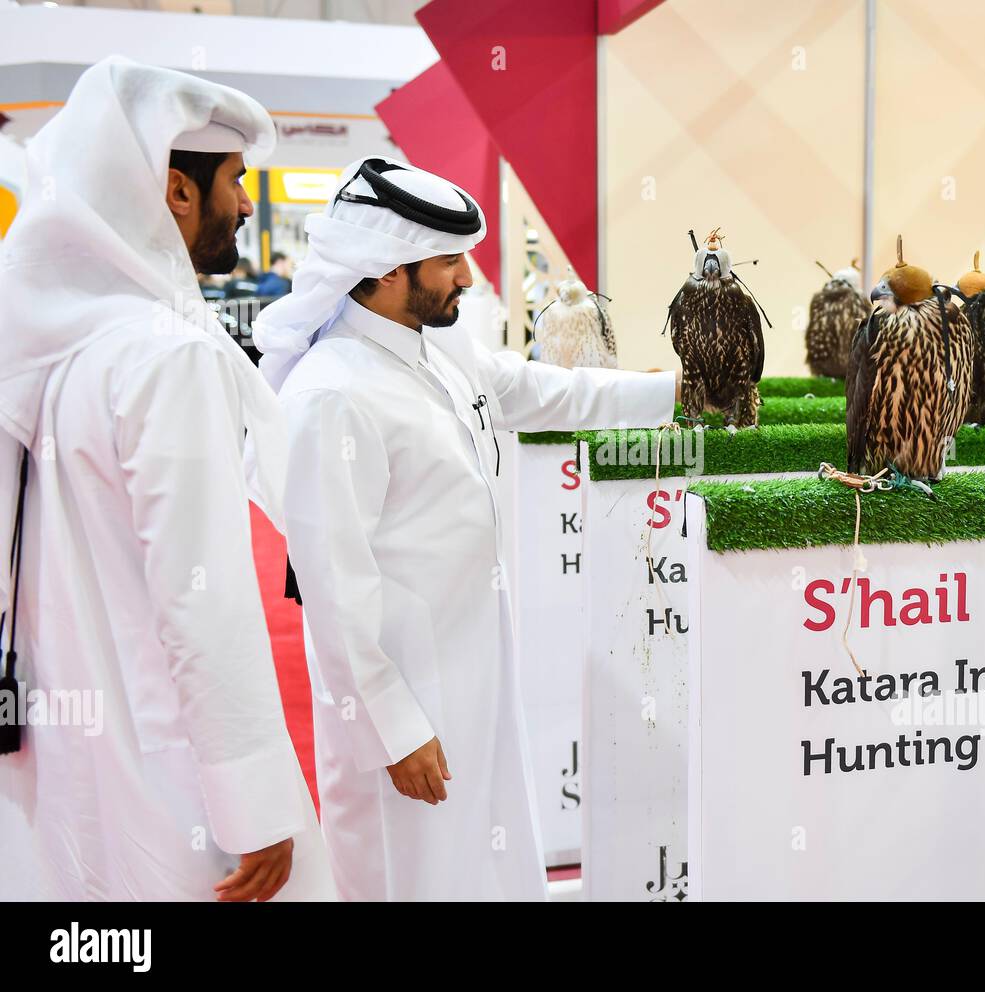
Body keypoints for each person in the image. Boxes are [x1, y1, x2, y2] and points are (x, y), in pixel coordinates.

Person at [254, 157, 679, 900]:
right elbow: (332, 588)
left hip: (472, 672)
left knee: (484, 860)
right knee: (412, 874)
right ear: (386, 270)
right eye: (450, 262)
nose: (469, 280)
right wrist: (394, 726)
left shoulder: (437, 349)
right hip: (407, 700)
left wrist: (674, 394)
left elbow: (538, 391)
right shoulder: (333, 395)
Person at [0, 56, 335, 902]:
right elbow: (202, 599)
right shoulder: (165, 355)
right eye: (235, 179)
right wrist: (255, 803)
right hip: (176, 778)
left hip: (68, 760)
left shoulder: (55, 350)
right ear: (177, 194)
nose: (249, 204)